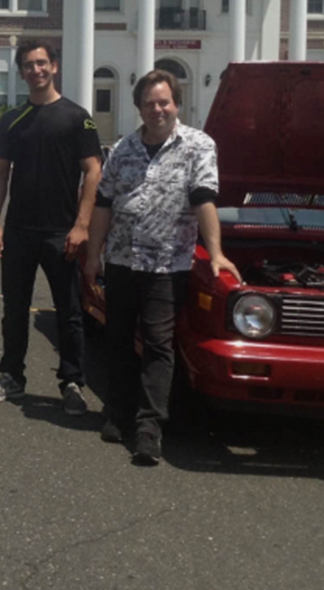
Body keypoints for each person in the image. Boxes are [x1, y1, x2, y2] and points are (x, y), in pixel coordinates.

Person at [85, 69, 241, 465]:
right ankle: (117, 414)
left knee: (158, 345)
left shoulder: (198, 146)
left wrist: (216, 252)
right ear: (138, 108)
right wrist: (92, 255)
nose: (157, 109)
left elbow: (204, 199)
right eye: (149, 103)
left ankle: (150, 427)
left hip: (166, 265)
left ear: (176, 103)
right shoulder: (122, 149)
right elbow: (103, 204)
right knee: (119, 340)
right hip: (121, 260)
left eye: (163, 102)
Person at [0, 40, 101, 415]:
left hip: (61, 233)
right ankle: (12, 377)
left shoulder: (78, 117)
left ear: (55, 66)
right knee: (14, 309)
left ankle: (72, 383)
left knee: (69, 312)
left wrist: (82, 226)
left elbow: (93, 171)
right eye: (29, 65)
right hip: (19, 230)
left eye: (42, 63)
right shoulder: (13, 119)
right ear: (21, 72)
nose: (36, 70)